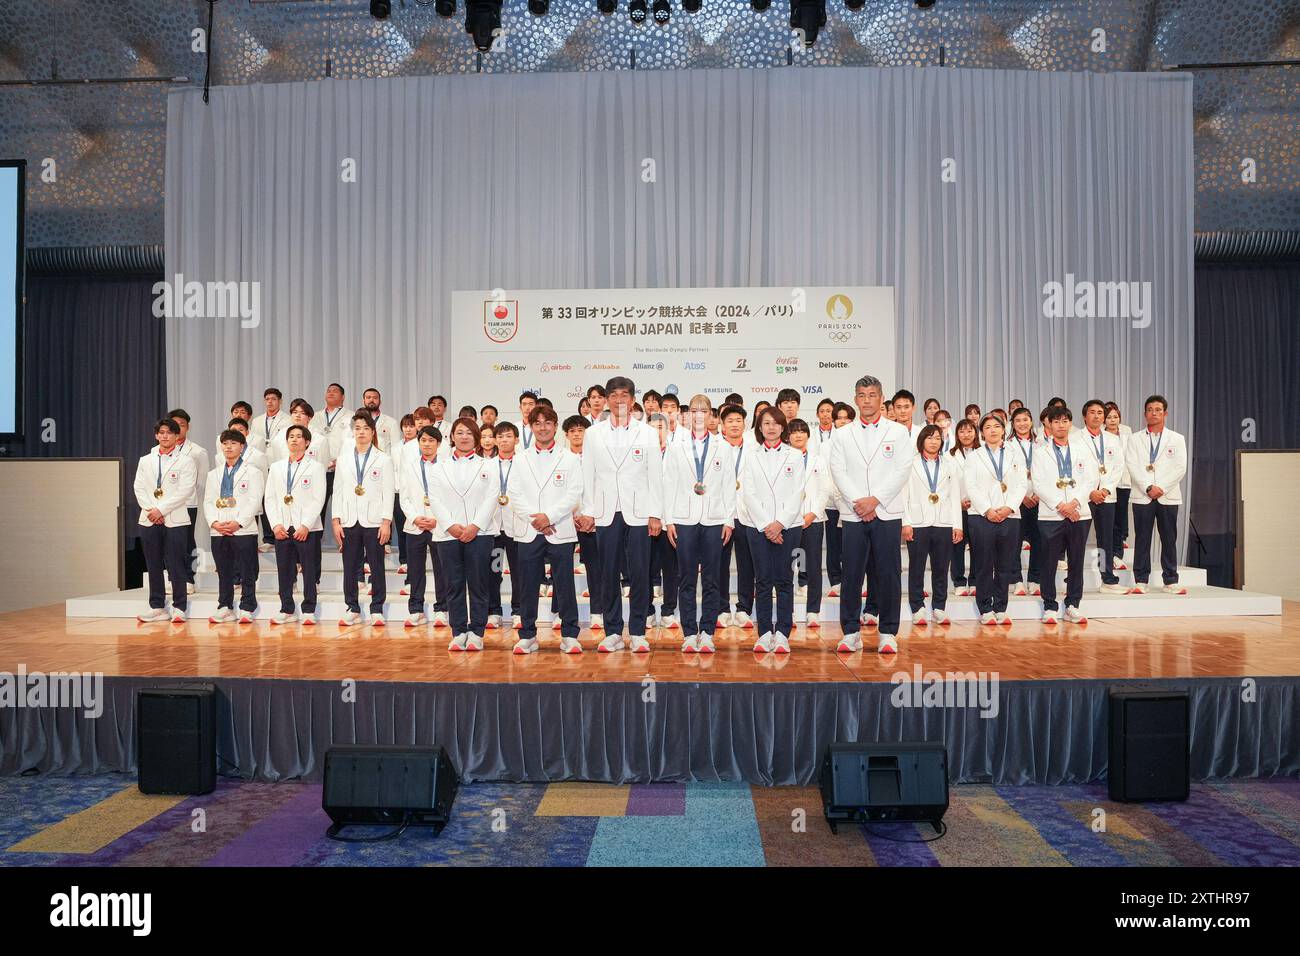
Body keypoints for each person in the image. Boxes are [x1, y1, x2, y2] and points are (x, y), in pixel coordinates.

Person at [578, 376, 663, 653]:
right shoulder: (594, 433)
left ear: (633, 400)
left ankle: (638, 630)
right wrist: (588, 511)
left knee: (640, 573)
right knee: (607, 573)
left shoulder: (647, 433)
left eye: (624, 395)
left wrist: (655, 513)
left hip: (639, 513)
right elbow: (587, 474)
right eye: (613, 395)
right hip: (605, 512)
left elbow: (655, 476)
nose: (618, 400)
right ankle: (612, 630)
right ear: (605, 400)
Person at [830, 374, 913, 654]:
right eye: (862, 396)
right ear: (856, 399)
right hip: (854, 515)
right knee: (851, 574)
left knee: (889, 574)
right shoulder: (841, 434)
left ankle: (888, 632)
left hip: (887, 513)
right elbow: (838, 471)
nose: (867, 401)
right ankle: (850, 631)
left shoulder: (898, 432)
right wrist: (859, 503)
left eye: (872, 395)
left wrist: (875, 500)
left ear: (881, 398)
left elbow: (902, 470)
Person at [505, 405, 584, 654]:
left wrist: (549, 517)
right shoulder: (519, 459)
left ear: (555, 425)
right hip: (529, 530)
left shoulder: (569, 459)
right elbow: (514, 494)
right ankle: (527, 634)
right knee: (527, 584)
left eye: (547, 422)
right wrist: (536, 519)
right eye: (537, 423)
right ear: (530, 426)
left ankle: (570, 634)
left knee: (564, 584)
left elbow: (574, 493)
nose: (542, 427)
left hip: (559, 528)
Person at [663, 395, 736, 652]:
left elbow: (729, 486)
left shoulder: (723, 447)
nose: (698, 415)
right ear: (686, 415)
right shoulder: (676, 446)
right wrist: (668, 519)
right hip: (684, 518)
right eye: (693, 410)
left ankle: (707, 631)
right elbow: (668, 483)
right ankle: (688, 632)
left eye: (703, 410)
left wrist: (729, 520)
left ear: (711, 415)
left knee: (712, 579)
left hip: (714, 519)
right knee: (686, 579)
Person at [430, 417, 498, 651]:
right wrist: (450, 525)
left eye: (469, 433)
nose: (465, 436)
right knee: (453, 584)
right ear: (452, 437)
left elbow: (492, 498)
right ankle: (458, 631)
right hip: (448, 534)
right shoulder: (439, 466)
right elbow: (435, 499)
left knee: (479, 583)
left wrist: (475, 526)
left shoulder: (489, 465)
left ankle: (477, 631)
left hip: (481, 533)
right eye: (460, 432)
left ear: (477, 438)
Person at [740, 406, 804, 653]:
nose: (771, 427)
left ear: (782, 427)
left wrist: (780, 524)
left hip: (789, 526)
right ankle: (765, 632)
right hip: (758, 526)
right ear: (759, 427)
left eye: (776, 423)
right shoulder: (751, 455)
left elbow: (797, 492)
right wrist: (767, 525)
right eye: (766, 423)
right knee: (764, 580)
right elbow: (749, 493)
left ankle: (784, 633)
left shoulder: (795, 456)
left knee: (785, 580)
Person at [1034, 404, 1097, 624]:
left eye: (1065, 421)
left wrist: (1075, 503)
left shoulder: (1083, 450)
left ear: (1070, 424)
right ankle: (1049, 606)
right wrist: (1062, 505)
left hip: (1080, 514)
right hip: (1051, 515)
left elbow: (1090, 479)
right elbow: (1038, 483)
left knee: (1076, 561)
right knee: (1049, 561)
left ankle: (1073, 604)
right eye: (1057, 421)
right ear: (1049, 425)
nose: (1061, 425)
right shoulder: (1040, 452)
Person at [332, 412, 395, 626]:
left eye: (365, 428)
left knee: (377, 565)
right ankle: (352, 607)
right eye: (357, 428)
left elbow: (388, 492)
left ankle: (377, 608)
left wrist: (386, 522)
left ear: (372, 432)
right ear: (353, 431)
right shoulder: (344, 459)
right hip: (349, 520)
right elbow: (338, 490)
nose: (361, 432)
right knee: (350, 566)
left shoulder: (384, 459)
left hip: (374, 520)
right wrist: (335, 520)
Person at [964, 413, 1027, 626]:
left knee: (1005, 565)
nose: (992, 430)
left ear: (1003, 430)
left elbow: (1021, 485)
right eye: (987, 427)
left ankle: (1001, 607)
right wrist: (988, 510)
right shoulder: (974, 456)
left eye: (996, 426)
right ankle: (985, 608)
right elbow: (970, 485)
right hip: (982, 517)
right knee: (983, 564)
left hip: (1010, 516)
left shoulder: (1014, 454)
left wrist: (1008, 507)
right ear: (982, 433)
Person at [134, 418, 198, 623]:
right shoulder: (146, 460)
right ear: (156, 435)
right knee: (153, 564)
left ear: (177, 435)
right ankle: (157, 606)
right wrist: (151, 510)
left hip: (175, 519)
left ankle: (179, 607)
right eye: (161, 432)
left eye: (169, 432)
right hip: (149, 519)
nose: (164, 436)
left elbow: (185, 490)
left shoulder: (186, 461)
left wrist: (161, 510)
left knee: (176, 563)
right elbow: (139, 487)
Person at [263, 423, 326, 625]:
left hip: (306, 527)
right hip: (283, 525)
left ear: (307, 442)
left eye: (299, 436)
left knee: (308, 569)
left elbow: (319, 498)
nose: (294, 439)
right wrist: (275, 525)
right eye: (291, 436)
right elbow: (270, 498)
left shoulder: (315, 467)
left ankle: (309, 609)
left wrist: (306, 525)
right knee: (284, 569)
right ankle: (287, 609)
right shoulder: (276, 467)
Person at [1124, 395, 1188, 594]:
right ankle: (1141, 580)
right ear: (1145, 414)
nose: (1154, 413)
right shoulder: (1134, 438)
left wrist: (1161, 487)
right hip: (1143, 495)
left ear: (1165, 413)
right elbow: (1132, 465)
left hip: (1167, 495)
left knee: (1169, 537)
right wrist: (1148, 487)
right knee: (1142, 538)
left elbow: (1180, 467)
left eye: (1158, 409)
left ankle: (1170, 580)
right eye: (1150, 409)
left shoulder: (1177, 438)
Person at [902, 423, 962, 626]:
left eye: (937, 438)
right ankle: (917, 607)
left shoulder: (949, 464)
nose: (934, 441)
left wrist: (958, 525)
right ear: (922, 441)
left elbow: (955, 496)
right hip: (918, 523)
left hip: (943, 522)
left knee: (941, 568)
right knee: (916, 567)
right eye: (930, 437)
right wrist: (906, 522)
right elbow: (904, 495)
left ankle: (939, 607)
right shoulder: (910, 463)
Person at [204, 429, 264, 624]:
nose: (228, 447)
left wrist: (238, 523)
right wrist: (214, 522)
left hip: (243, 529)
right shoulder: (214, 474)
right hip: (219, 528)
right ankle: (225, 606)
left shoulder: (253, 472)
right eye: (225, 443)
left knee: (247, 570)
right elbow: (208, 501)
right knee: (224, 571)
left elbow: (255, 501)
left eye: (233, 443)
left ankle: (247, 607)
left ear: (242, 447)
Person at [1080, 399, 1127, 595]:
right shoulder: (1075, 439)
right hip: (1084, 497)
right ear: (1085, 416)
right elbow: (1075, 469)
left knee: (1105, 540)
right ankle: (1073, 581)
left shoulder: (1112, 439)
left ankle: (1107, 579)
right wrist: (1091, 491)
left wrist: (1105, 489)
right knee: (1077, 540)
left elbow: (1118, 467)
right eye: (1093, 412)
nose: (1097, 416)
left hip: (1107, 497)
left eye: (1100, 412)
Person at [399, 425, 443, 626]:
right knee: (415, 570)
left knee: (442, 569)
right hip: (415, 525)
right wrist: (416, 517)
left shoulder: (445, 465)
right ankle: (416, 609)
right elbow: (404, 497)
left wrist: (437, 519)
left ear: (439, 444)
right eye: (423, 440)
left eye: (431, 440)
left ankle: (442, 608)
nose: (427, 444)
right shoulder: (409, 466)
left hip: (439, 525)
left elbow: (449, 497)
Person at [788, 418, 830, 628]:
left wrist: (812, 514)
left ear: (807, 435)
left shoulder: (818, 460)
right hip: (787, 522)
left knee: (812, 567)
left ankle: (813, 611)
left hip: (813, 520)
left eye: (802, 431)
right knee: (787, 569)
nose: (798, 435)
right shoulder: (782, 459)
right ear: (788, 436)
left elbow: (825, 490)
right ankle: (789, 613)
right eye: (794, 432)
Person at [716, 403, 755, 629]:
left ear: (744, 424)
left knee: (746, 564)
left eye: (738, 421)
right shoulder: (714, 448)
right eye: (729, 421)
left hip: (747, 514)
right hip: (721, 515)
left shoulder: (754, 448)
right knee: (720, 564)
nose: (734, 425)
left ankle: (744, 609)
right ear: (722, 425)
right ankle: (722, 608)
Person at [161, 408, 207, 593]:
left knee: (187, 540)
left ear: (188, 427)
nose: (177, 429)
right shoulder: (158, 451)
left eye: (181, 425)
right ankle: (173, 578)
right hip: (165, 504)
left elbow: (202, 481)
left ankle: (189, 578)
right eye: (174, 425)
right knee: (167, 541)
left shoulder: (197, 451)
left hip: (188, 503)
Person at [644, 413, 679, 628]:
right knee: (645, 568)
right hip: (645, 520)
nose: (656, 431)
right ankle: (646, 610)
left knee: (671, 569)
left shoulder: (676, 453)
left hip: (670, 521)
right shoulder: (638, 454)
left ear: (668, 429)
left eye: (660, 427)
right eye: (652, 427)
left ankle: (668, 611)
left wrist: (671, 519)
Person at [486, 422, 521, 629]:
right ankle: (494, 611)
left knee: (519, 572)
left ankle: (518, 610)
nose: (503, 440)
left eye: (508, 436)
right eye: (500, 436)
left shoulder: (524, 463)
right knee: (493, 571)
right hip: (493, 529)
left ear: (516, 439)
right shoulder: (487, 466)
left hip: (517, 528)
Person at [1008, 407, 1043, 597]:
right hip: (1016, 501)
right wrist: (1021, 497)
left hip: (1040, 499)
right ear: (1013, 424)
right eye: (1018, 420)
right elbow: (1006, 475)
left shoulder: (1042, 443)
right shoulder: (1007, 445)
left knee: (1039, 541)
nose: (1022, 423)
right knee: (1014, 542)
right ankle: (1016, 580)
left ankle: (1035, 580)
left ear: (1031, 421)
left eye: (1025, 419)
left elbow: (1047, 472)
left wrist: (1038, 494)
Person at [948, 418, 979, 596]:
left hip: (978, 509)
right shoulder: (949, 456)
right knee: (956, 546)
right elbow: (946, 483)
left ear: (975, 433)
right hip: (957, 508)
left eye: (969, 431)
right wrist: (958, 502)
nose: (966, 435)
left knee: (978, 547)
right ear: (957, 434)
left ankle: (974, 581)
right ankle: (959, 581)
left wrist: (976, 501)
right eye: (962, 431)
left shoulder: (983, 453)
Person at [1104, 402, 1133, 571]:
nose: (1112, 420)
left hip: (1124, 481)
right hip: (1106, 484)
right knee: (1108, 521)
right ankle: (1107, 555)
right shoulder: (1101, 436)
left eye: (1115, 417)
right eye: (1109, 417)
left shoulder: (1127, 432)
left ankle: (1117, 554)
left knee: (1120, 518)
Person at [360, 388, 399, 458]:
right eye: (368, 397)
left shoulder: (391, 422)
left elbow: (396, 449)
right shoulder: (356, 421)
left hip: (383, 463)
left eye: (375, 398)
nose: (371, 400)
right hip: (362, 462)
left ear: (380, 401)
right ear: (364, 401)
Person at [250, 387, 287, 454]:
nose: (270, 401)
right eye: (267, 399)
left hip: (279, 456)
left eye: (273, 399)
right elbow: (252, 441)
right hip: (260, 456)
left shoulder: (288, 420)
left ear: (280, 401)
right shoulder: (256, 421)